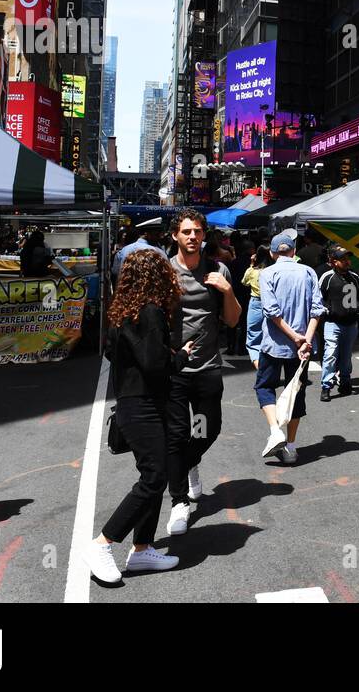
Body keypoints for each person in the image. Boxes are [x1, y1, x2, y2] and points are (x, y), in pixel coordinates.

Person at [83, 249, 192, 583]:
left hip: (132, 402)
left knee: (154, 475)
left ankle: (142, 549)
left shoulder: (122, 312)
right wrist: (179, 357)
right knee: (154, 477)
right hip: (144, 403)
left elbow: (117, 354)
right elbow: (155, 366)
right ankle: (103, 543)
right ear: (157, 277)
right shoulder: (151, 312)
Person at [165, 209, 242, 536]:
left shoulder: (218, 269)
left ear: (204, 235)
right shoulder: (165, 271)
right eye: (186, 232)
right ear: (175, 236)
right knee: (176, 436)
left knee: (209, 429)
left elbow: (234, 320)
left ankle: (187, 464)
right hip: (174, 368)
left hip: (209, 366)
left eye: (197, 231)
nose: (193, 237)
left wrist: (227, 291)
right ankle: (178, 501)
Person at [257, 229, 323, 461]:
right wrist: (305, 339)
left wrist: (294, 337)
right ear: (293, 252)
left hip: (275, 343)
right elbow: (317, 310)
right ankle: (292, 447)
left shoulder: (267, 274)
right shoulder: (308, 272)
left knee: (265, 387)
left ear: (274, 253)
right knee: (296, 392)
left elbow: (271, 311)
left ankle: (275, 431)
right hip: (302, 347)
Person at [318, 244, 359, 402]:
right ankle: (326, 386)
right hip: (332, 323)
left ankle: (345, 381)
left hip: (351, 323)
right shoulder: (327, 277)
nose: (346, 262)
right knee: (330, 354)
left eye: (347, 258)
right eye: (342, 259)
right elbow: (318, 298)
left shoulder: (355, 277)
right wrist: (327, 309)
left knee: (346, 355)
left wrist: (358, 307)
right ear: (333, 261)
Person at [243, 245, 272, 368]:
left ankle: (258, 365)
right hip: (271, 303)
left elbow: (244, 282)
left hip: (255, 302)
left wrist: (251, 264)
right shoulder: (273, 271)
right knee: (270, 335)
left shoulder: (252, 271)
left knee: (254, 337)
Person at [229, 238, 253, 357]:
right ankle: (242, 348)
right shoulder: (252, 263)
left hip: (235, 294)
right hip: (247, 294)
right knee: (244, 322)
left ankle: (231, 346)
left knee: (233, 322)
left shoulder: (234, 262)